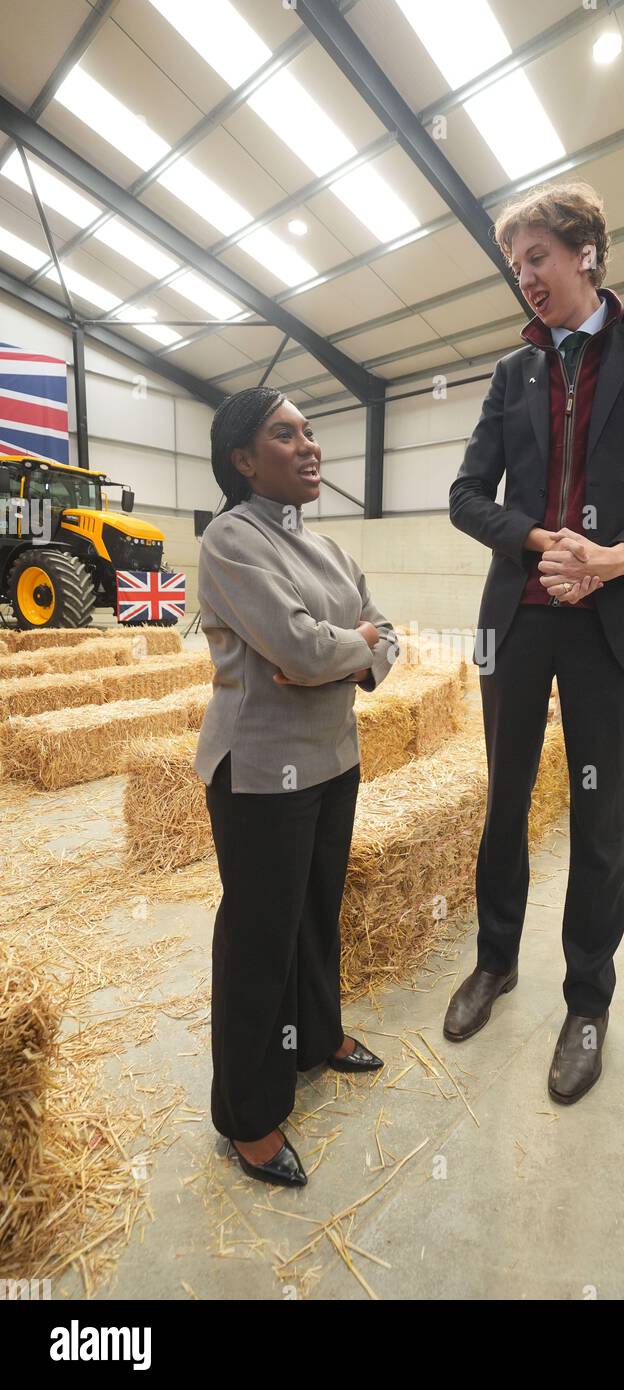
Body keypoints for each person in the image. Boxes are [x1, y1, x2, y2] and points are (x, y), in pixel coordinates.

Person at [446, 180, 624, 1105]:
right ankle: (494, 962)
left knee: (599, 820)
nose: (525, 279)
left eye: (537, 258)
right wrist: (537, 540)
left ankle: (586, 1003)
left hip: (606, 622)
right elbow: (467, 494)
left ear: (586, 251)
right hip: (515, 619)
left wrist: (616, 554)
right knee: (503, 801)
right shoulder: (511, 372)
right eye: (516, 265)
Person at [193, 387, 399, 1187]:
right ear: (244, 460)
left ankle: (316, 1038)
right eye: (285, 435)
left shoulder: (329, 548)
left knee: (317, 913)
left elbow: (373, 642)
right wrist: (346, 648)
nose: (309, 445)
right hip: (261, 773)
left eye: (311, 432)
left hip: (332, 758)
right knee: (258, 940)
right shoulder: (231, 543)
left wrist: (346, 648)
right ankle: (247, 1113)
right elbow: (306, 651)